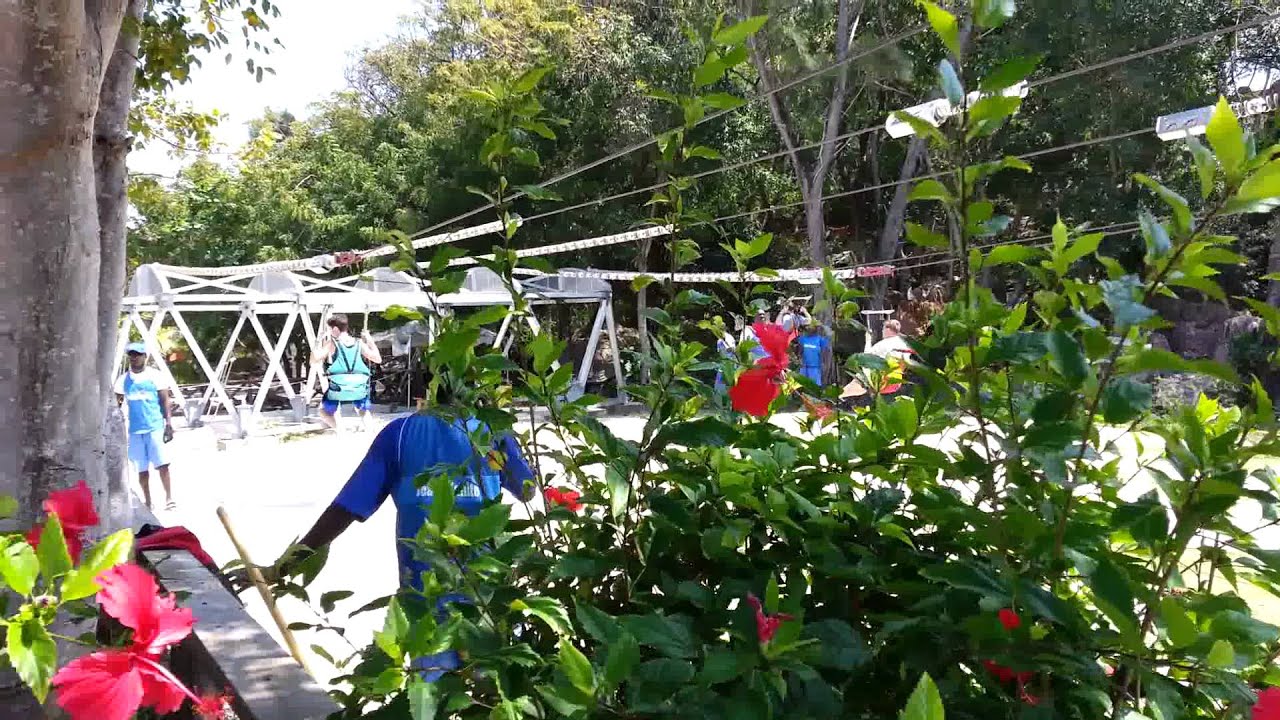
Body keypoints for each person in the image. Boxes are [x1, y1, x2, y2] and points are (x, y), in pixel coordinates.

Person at [251, 408, 535, 680]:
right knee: (494, 699)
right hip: (485, 601)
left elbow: (345, 509)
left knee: (432, 700)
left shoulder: (400, 435)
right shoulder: (492, 431)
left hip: (429, 605)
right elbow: (528, 490)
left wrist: (283, 567)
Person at [114, 342, 176, 510]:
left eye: (138, 355)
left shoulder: (155, 376)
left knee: (162, 464)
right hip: (135, 430)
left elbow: (165, 400)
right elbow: (116, 404)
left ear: (144, 357)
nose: (134, 358)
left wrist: (168, 424)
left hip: (155, 426)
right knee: (141, 469)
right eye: (132, 355)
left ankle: (169, 498)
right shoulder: (122, 380)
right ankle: (148, 501)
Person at [312, 314, 382, 432]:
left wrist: (317, 341)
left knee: (322, 411)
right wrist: (369, 340)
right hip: (358, 387)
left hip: (338, 389)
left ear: (334, 329)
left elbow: (314, 361)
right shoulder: (359, 343)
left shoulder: (332, 343)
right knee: (362, 409)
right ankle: (371, 432)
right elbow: (378, 359)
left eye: (329, 330)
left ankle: (340, 430)